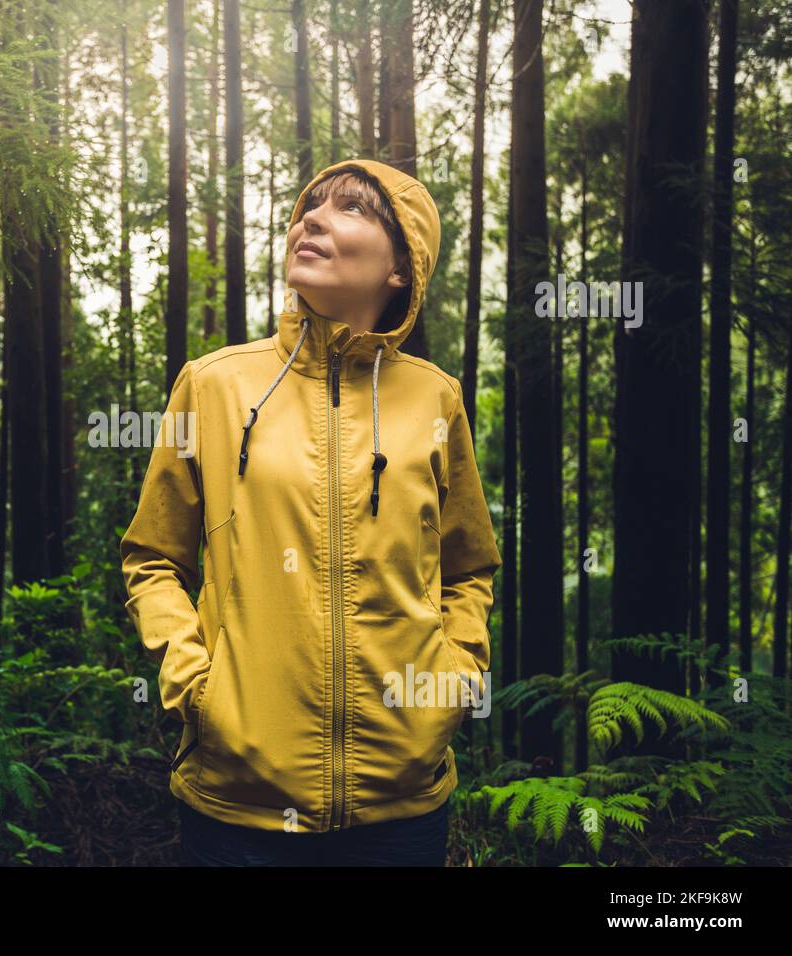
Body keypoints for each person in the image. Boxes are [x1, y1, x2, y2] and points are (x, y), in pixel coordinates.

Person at [119, 158, 502, 866]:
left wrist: (454, 678)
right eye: (309, 207)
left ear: (401, 269)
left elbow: (468, 567)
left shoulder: (436, 398)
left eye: (350, 208)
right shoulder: (213, 385)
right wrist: (197, 686)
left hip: (402, 802)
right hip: (239, 801)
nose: (312, 218)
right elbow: (152, 557)